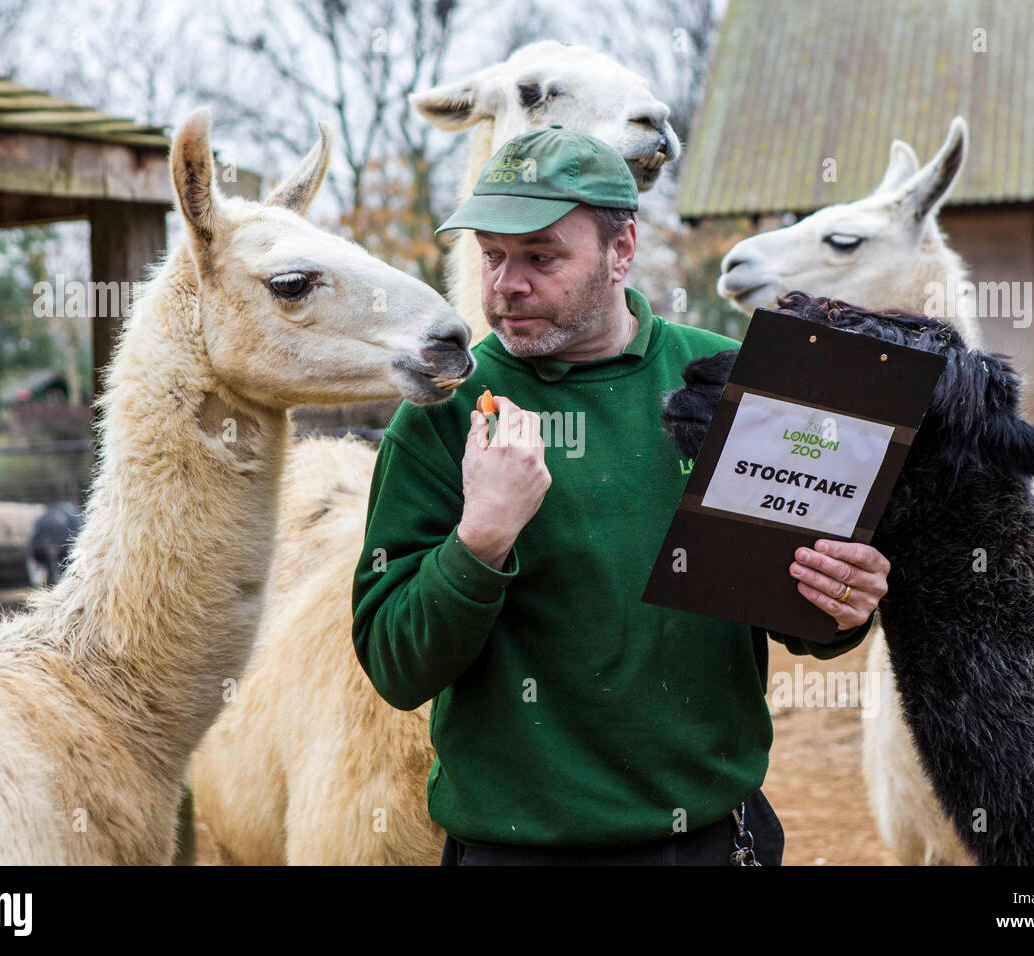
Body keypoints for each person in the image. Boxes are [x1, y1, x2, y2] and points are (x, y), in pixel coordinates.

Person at [350, 125, 889, 866]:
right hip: (518, 853)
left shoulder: (730, 384)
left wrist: (844, 602)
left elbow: (811, 620)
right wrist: (480, 540)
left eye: (540, 256)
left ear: (621, 250)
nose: (506, 284)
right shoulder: (444, 414)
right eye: (492, 256)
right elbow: (395, 666)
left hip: (712, 843)